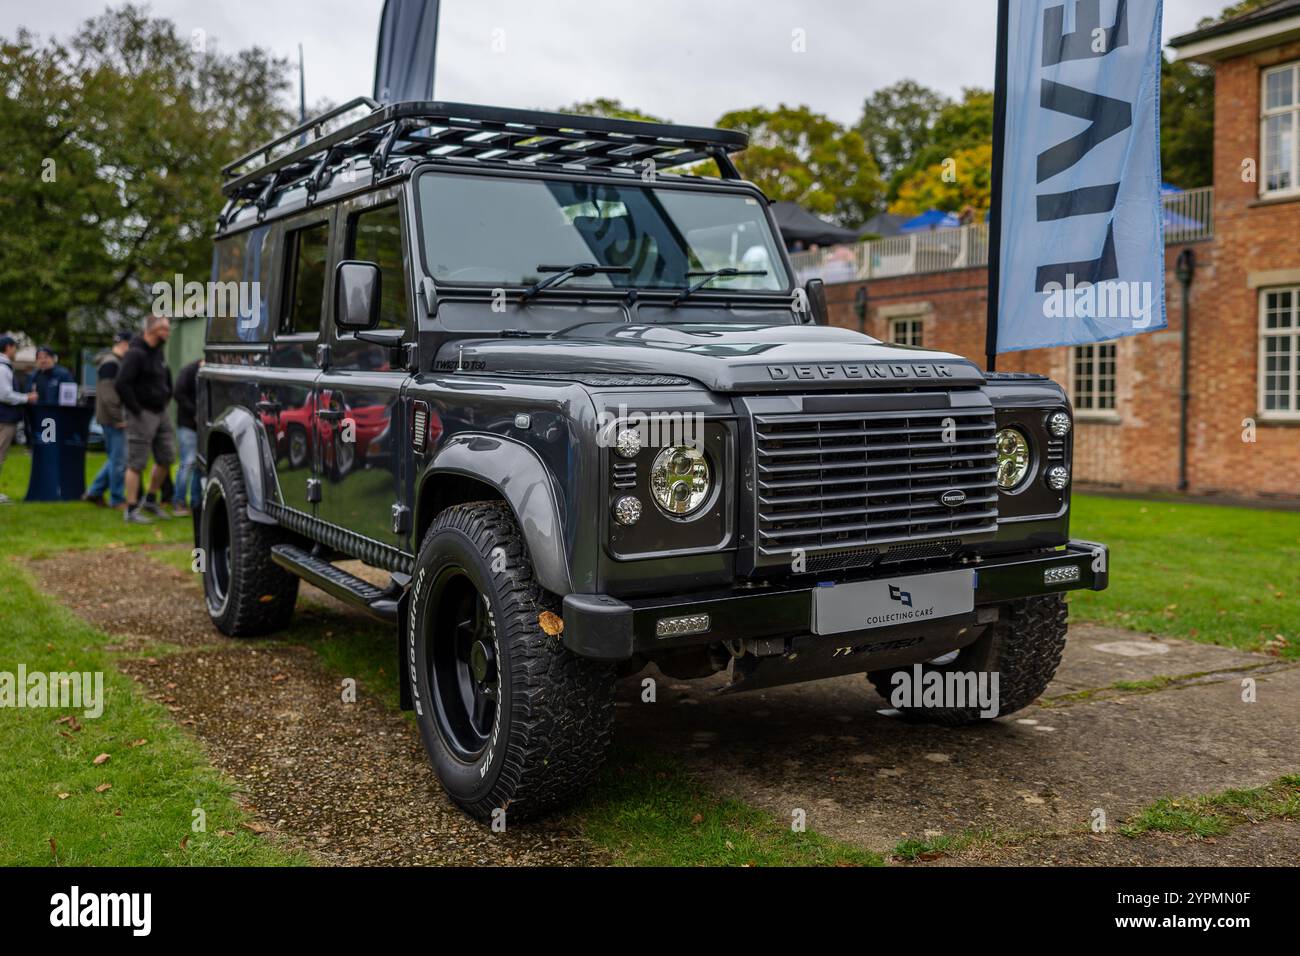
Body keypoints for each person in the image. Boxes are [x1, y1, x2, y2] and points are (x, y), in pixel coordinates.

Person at [114, 316, 175, 524]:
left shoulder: (158, 353)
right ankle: (131, 509)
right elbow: (122, 384)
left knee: (167, 457)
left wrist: (165, 398)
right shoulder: (135, 354)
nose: (168, 332)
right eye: (164, 329)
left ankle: (150, 499)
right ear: (151, 330)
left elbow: (167, 379)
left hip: (160, 412)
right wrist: (136, 409)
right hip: (142, 413)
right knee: (137, 462)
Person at [83, 331, 133, 508]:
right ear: (124, 344)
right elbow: (107, 394)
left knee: (115, 458)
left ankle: (94, 492)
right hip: (113, 419)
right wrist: (118, 417)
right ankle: (117, 499)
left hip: (111, 417)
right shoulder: (110, 364)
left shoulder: (113, 362)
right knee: (119, 460)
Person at [0, 334, 37, 504]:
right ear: (8, 347)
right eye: (14, 347)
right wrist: (26, 398)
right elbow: (5, 394)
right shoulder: (3, 368)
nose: (15, 350)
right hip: (4, 418)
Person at [172, 358, 204, 516]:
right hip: (187, 425)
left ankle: (196, 502)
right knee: (188, 462)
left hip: (202, 426)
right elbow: (178, 392)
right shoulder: (189, 370)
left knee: (199, 465)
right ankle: (179, 501)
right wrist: (194, 412)